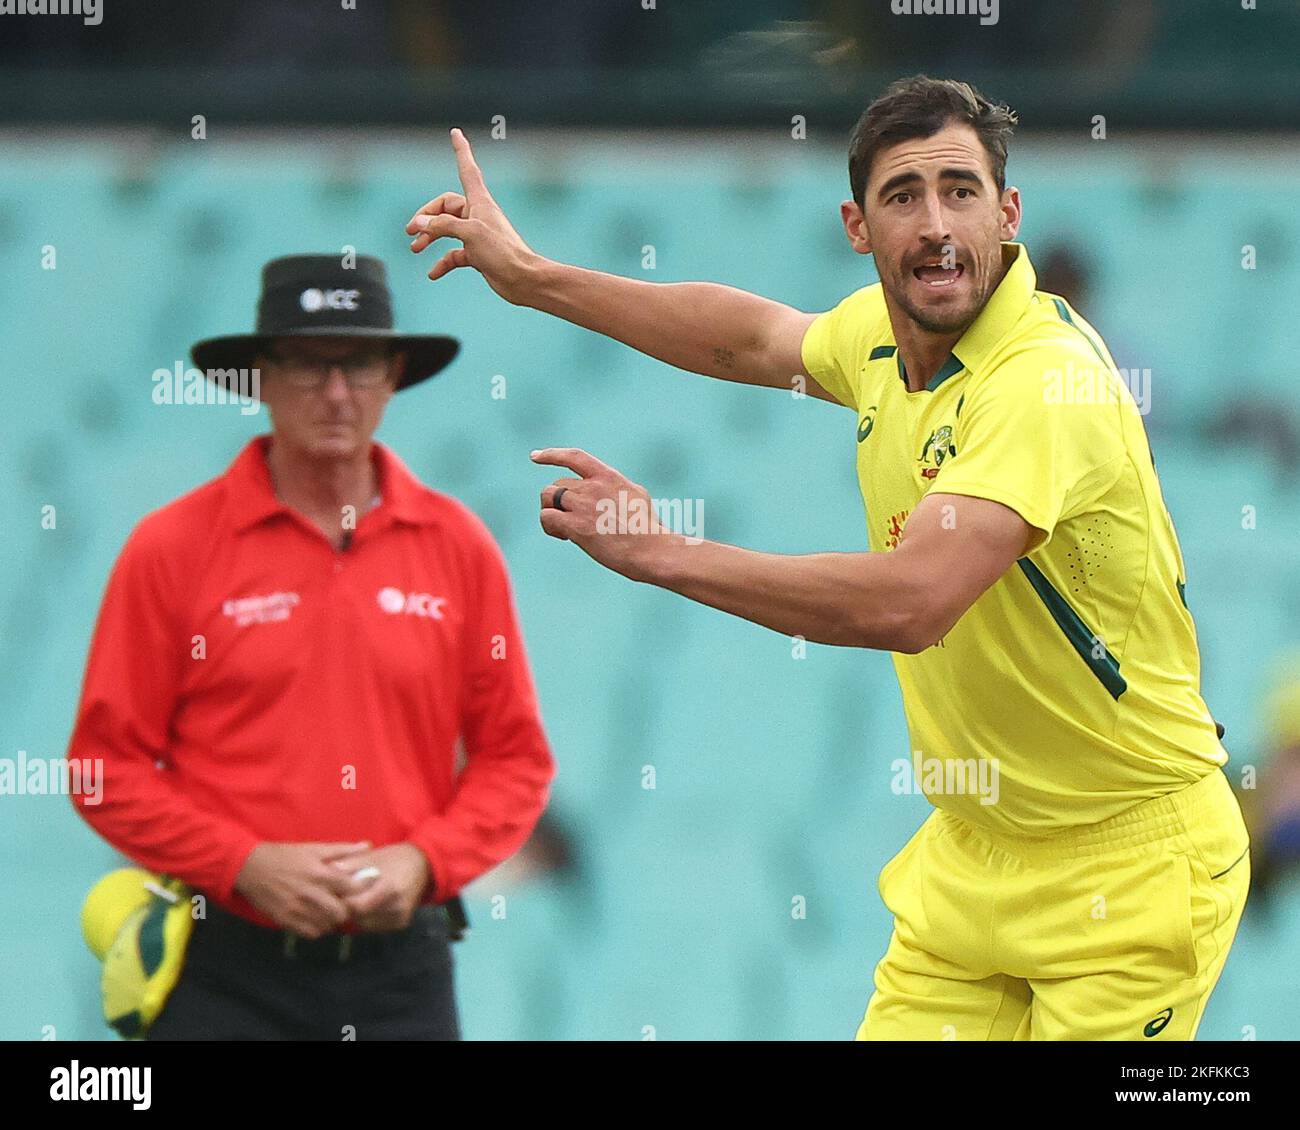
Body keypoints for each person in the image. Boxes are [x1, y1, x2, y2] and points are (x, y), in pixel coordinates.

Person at [405, 75, 1249, 1040]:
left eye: (960, 191)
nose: (936, 224)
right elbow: (752, 339)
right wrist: (533, 278)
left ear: (1007, 213)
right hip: (975, 856)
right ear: (858, 227)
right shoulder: (885, 340)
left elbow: (911, 602)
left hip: (1130, 865)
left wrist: (664, 553)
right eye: (903, 197)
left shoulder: (1043, 383)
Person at [67, 253, 555, 1040]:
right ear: (260, 375)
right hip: (223, 972)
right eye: (306, 364)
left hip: (405, 976)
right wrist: (242, 863)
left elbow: (516, 760)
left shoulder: (458, 547)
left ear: (393, 374)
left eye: (358, 363)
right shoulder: (171, 548)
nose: (336, 393)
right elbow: (104, 768)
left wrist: (424, 863)